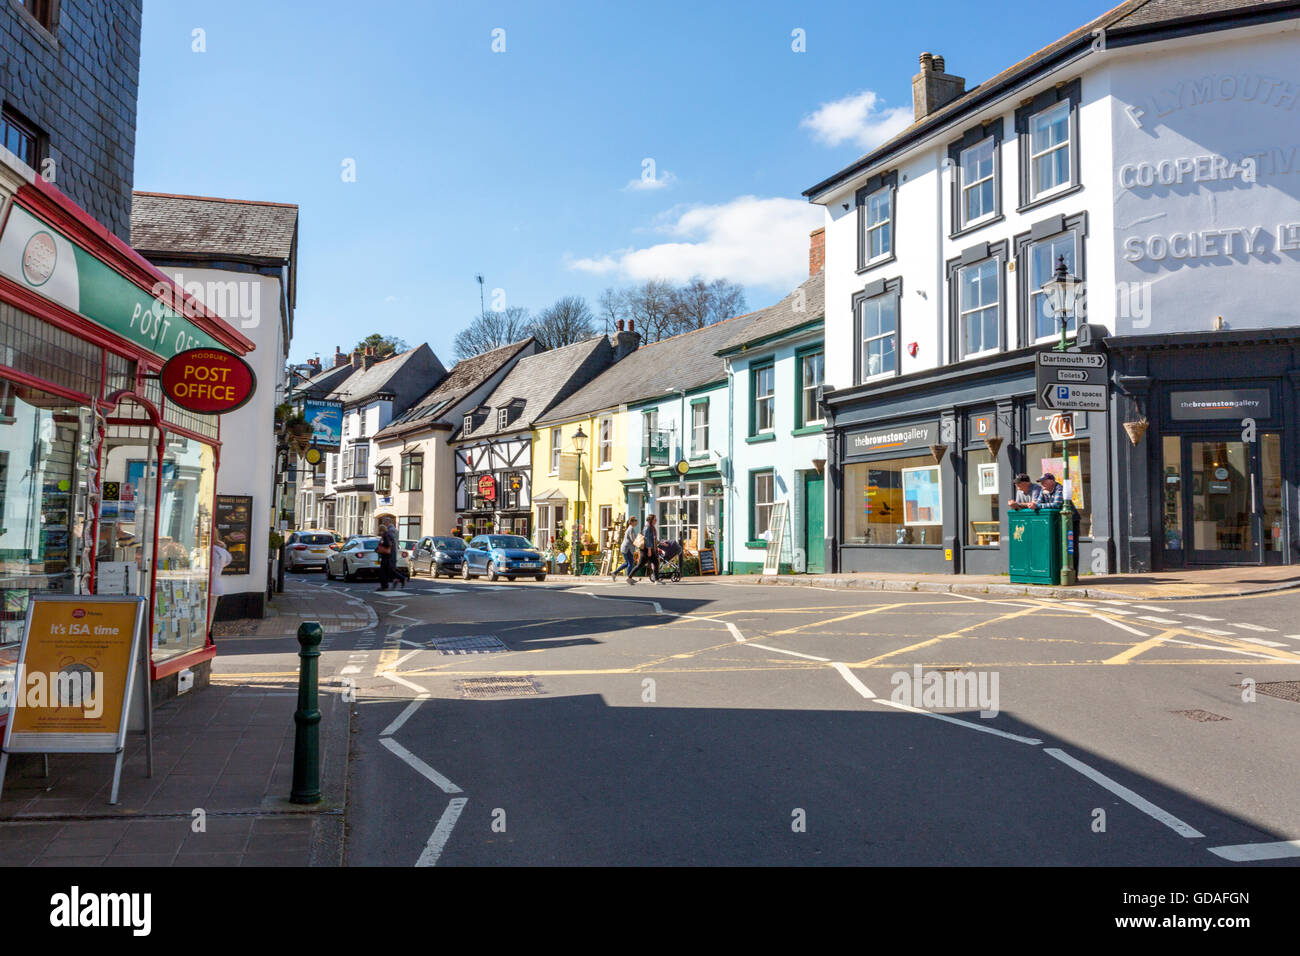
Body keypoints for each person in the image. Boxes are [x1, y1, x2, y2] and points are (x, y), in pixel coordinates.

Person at [209, 535, 232, 643]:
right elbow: (229, 559)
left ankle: (209, 641)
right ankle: (209, 639)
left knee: (208, 621)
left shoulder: (212, 550)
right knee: (210, 619)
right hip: (217, 587)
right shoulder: (221, 550)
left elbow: (211, 570)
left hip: (211, 589)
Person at [630, 513, 660, 584]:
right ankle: (629, 577)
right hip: (646, 549)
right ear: (651, 520)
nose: (656, 521)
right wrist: (649, 550)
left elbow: (653, 539)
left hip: (649, 549)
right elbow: (647, 539)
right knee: (642, 564)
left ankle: (656, 580)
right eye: (655, 519)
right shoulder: (648, 527)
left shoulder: (651, 527)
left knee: (654, 563)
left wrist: (660, 542)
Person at [377, 520, 406, 590]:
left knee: (385, 571)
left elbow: (388, 544)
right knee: (388, 571)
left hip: (387, 556)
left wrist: (380, 547)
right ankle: (386, 585)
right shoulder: (389, 533)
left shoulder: (387, 534)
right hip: (389, 555)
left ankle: (386, 586)